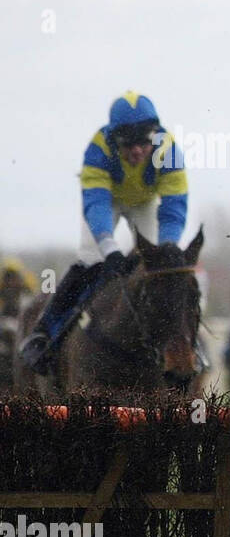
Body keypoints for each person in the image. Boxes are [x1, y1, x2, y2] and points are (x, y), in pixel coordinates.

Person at [20, 91, 188, 373]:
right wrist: (109, 247)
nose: (136, 151)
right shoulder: (98, 149)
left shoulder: (169, 150)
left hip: (144, 202)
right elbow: (96, 204)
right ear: (114, 138)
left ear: (155, 135)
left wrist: (167, 247)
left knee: (163, 268)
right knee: (91, 259)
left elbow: (174, 208)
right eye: (127, 143)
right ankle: (44, 333)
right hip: (106, 202)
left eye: (143, 143)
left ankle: (187, 345)